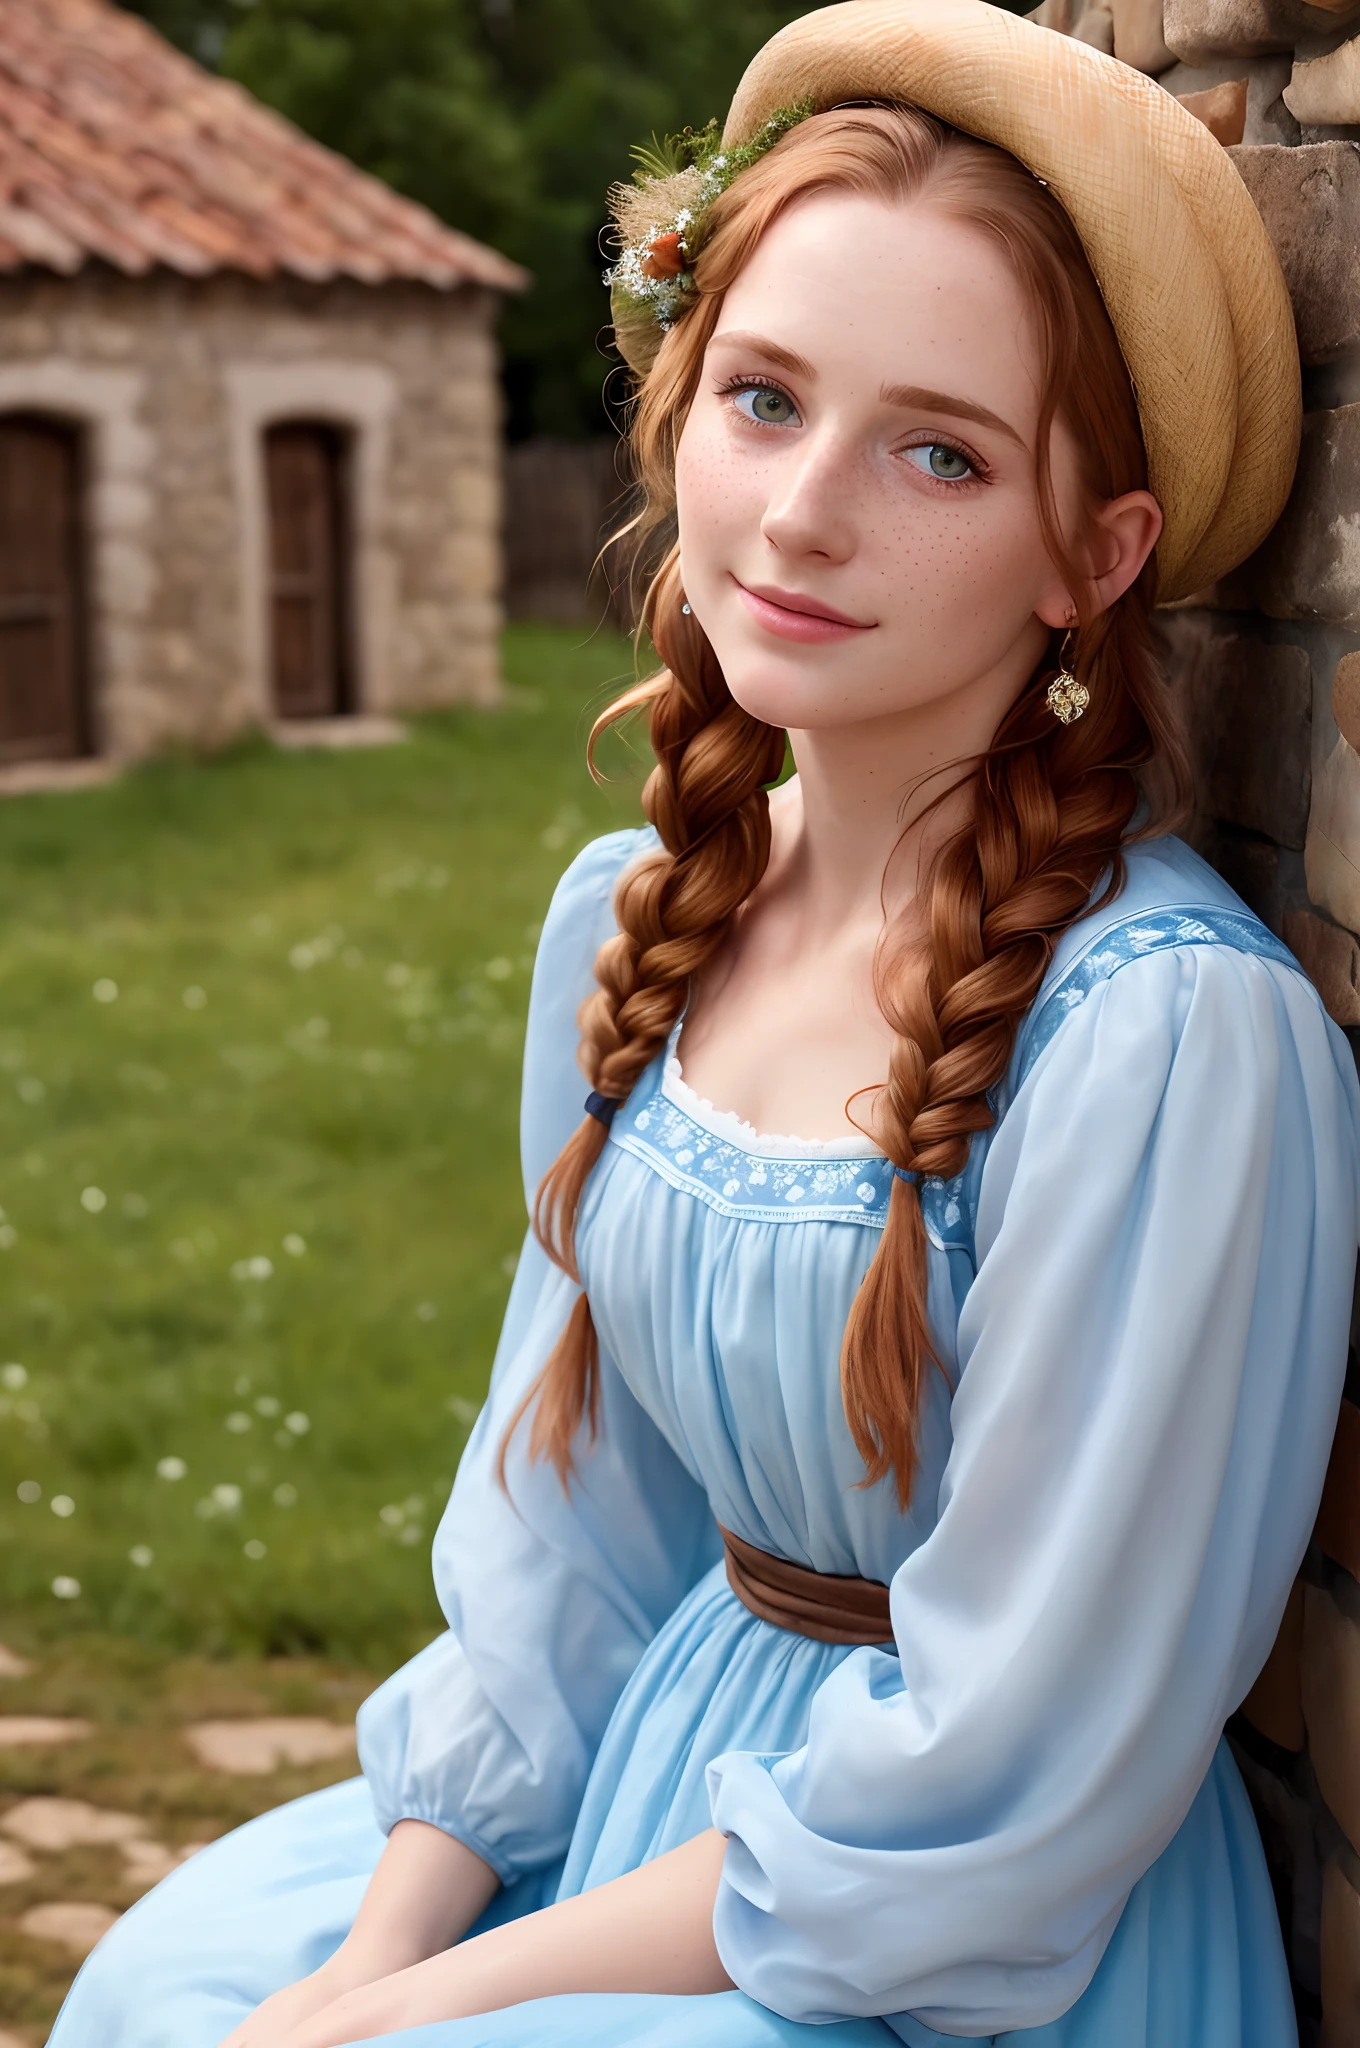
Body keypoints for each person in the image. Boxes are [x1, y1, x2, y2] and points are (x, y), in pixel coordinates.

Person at [50, 2, 1360, 2044]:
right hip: (667, 1793)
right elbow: (568, 1531)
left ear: (1091, 557)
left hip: (941, 1927)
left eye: (939, 450)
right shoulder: (639, 921)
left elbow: (998, 1777)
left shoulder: (1162, 1044)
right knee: (168, 1987)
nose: (805, 510)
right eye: (764, 399)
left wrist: (415, 2021)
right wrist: (382, 1962)